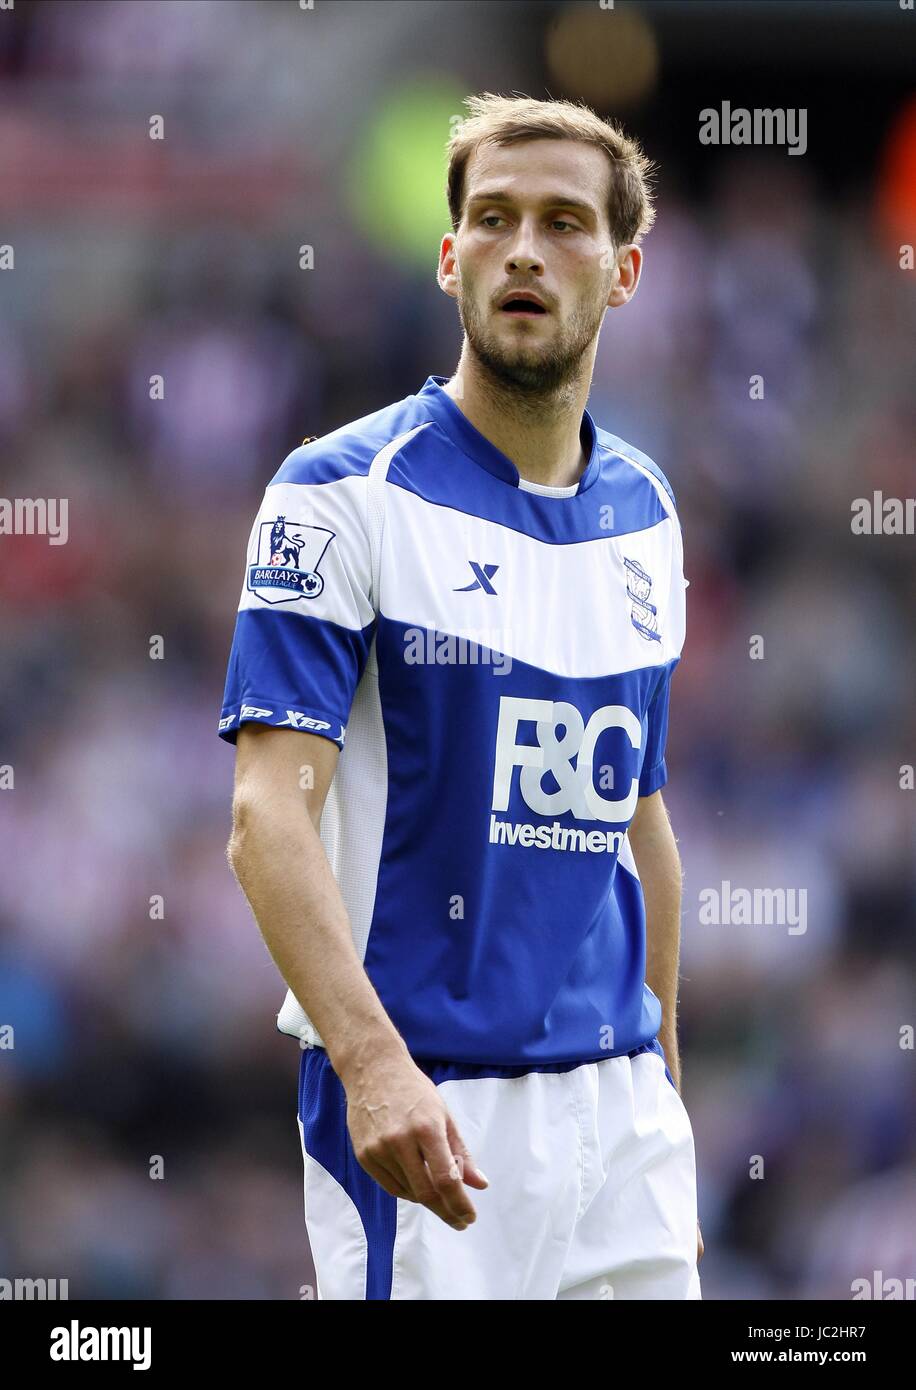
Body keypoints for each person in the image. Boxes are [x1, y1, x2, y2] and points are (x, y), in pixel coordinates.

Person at [219, 92, 702, 1300]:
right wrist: (370, 1064)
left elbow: (638, 818)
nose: (523, 249)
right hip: (429, 1094)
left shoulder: (645, 509)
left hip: (622, 1114)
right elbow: (266, 818)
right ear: (450, 258)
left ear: (624, 271)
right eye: (492, 218)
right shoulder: (339, 493)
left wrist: (663, 1080)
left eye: (564, 223)